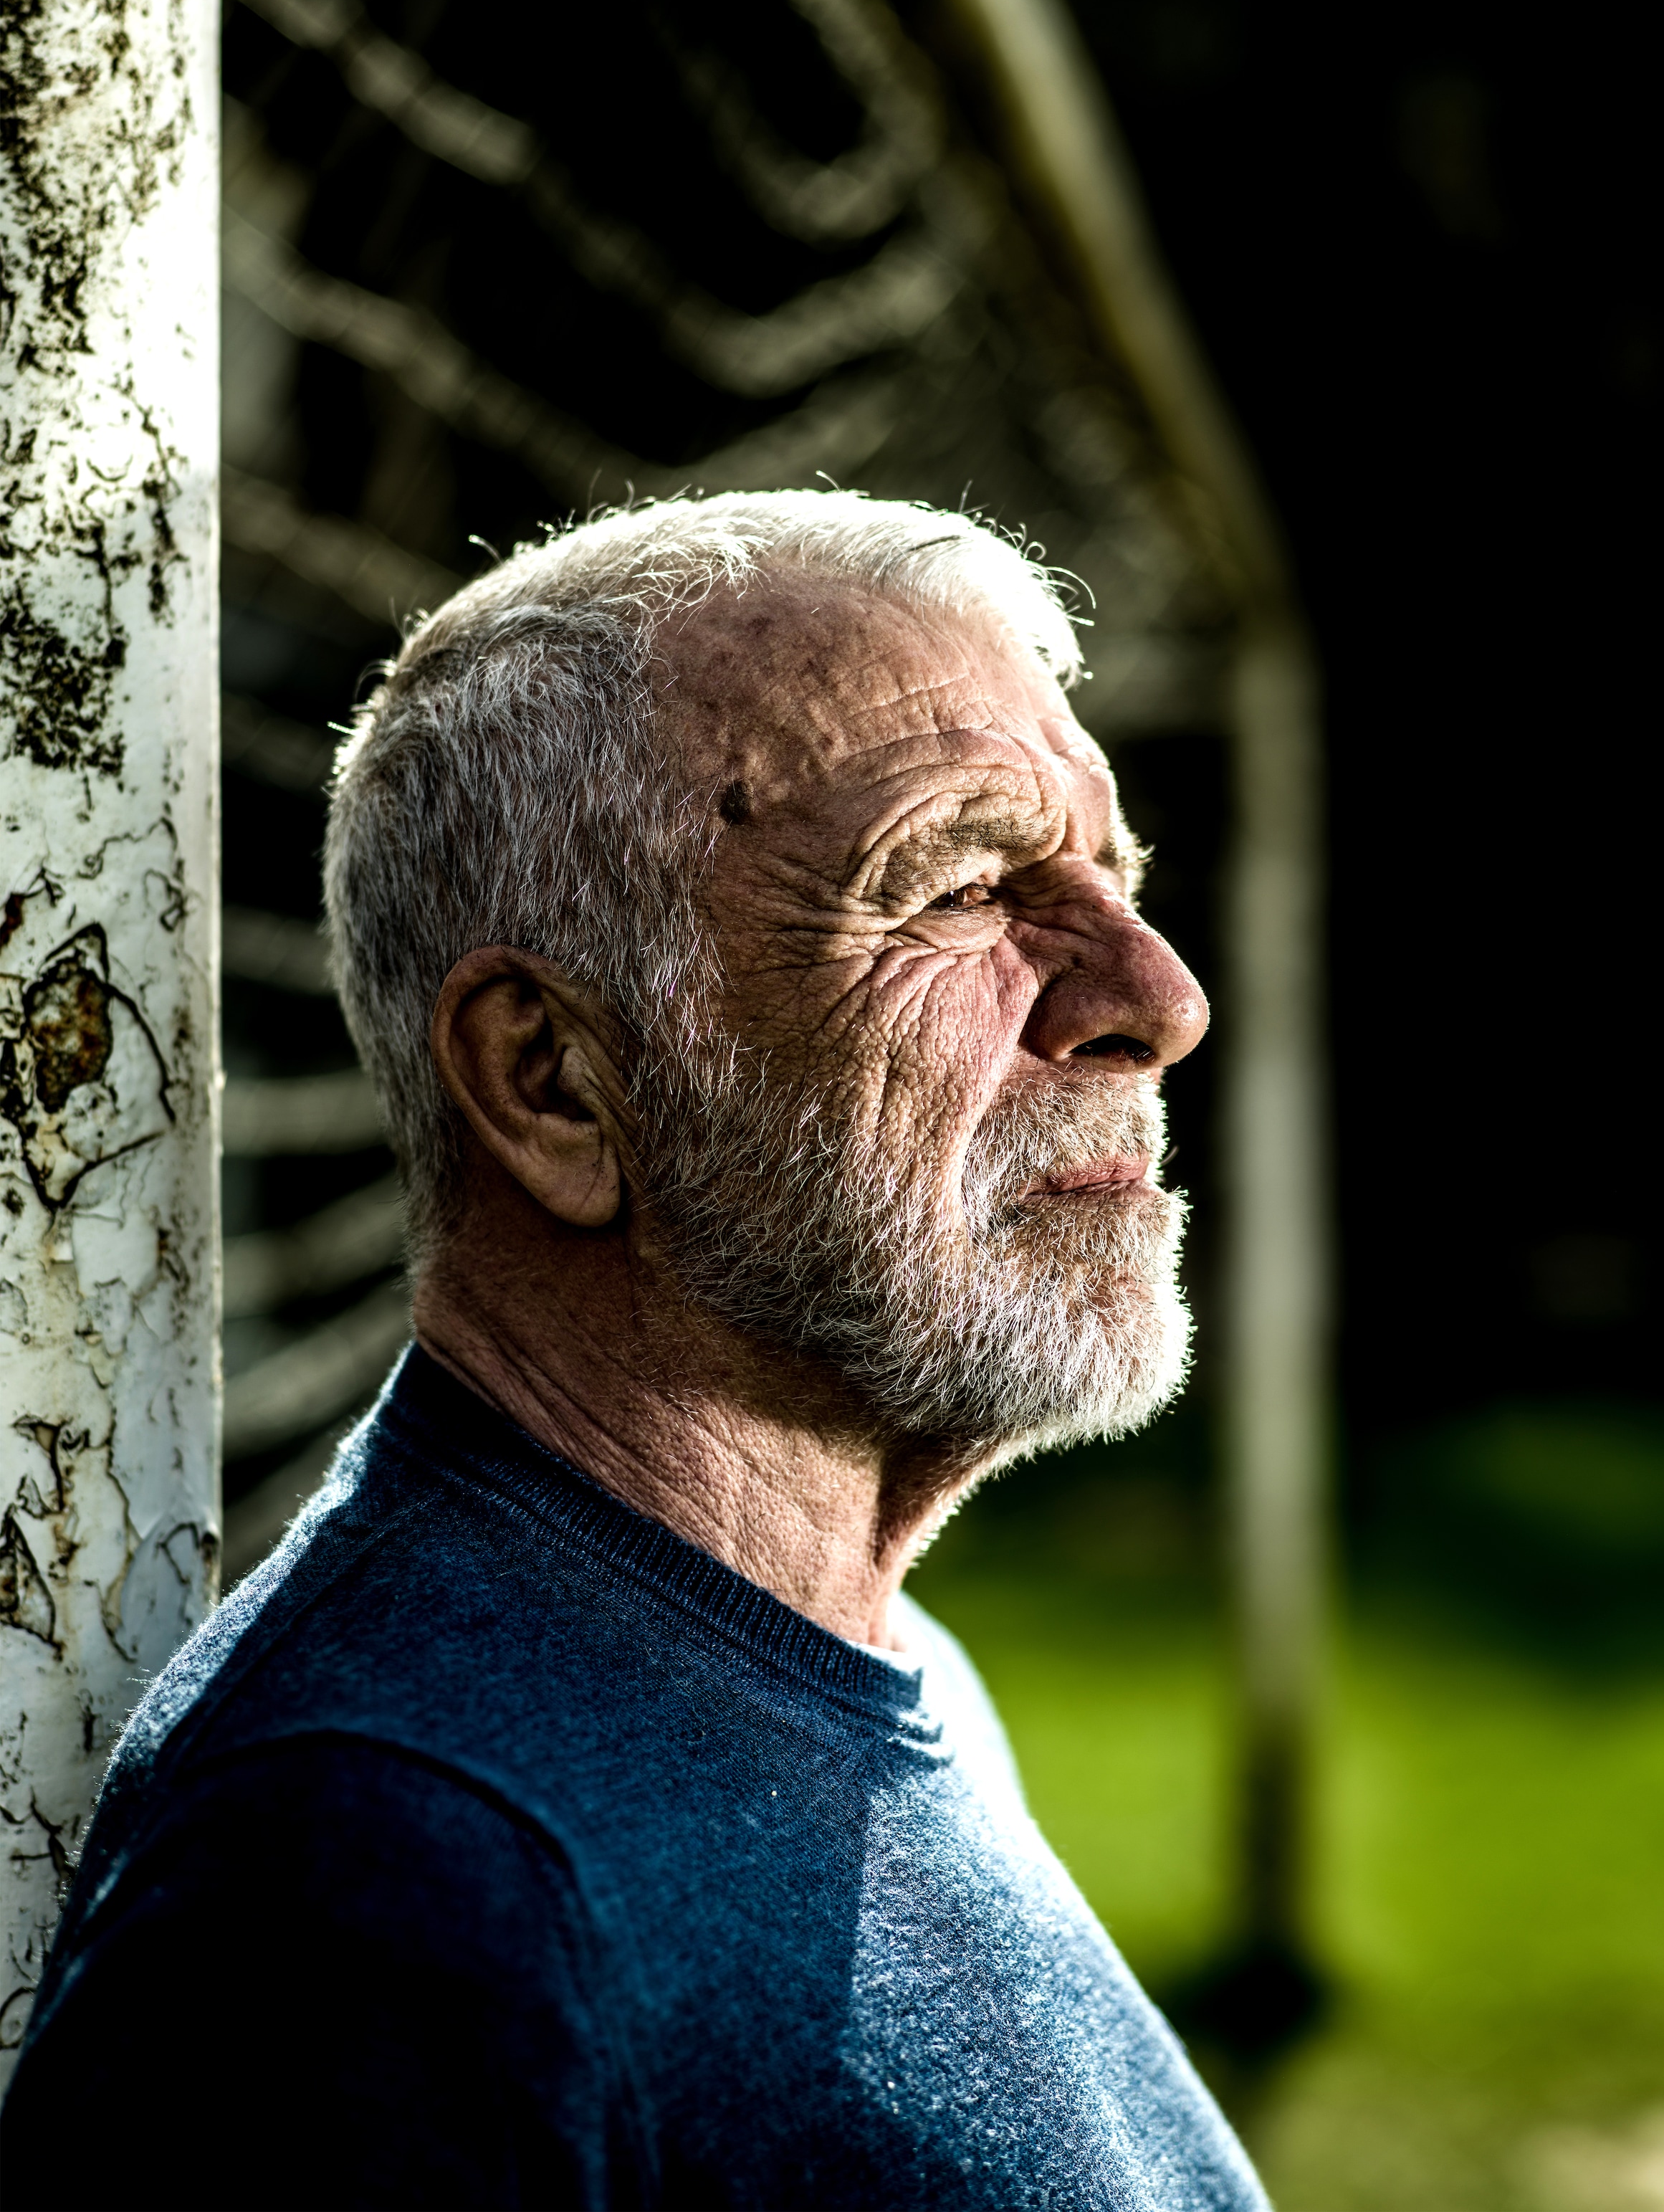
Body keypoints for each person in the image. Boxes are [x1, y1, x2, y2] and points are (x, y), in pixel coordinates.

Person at [1, 492, 1266, 2210]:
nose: (1156, 995)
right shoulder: (391, 1868)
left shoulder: (879, 1660)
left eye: (1112, 878)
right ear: (552, 1081)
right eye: (963, 888)